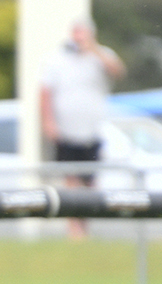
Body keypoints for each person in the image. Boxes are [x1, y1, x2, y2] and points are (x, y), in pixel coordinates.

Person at [40, 17, 125, 190]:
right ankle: (73, 217)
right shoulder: (57, 59)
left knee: (90, 182)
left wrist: (93, 49)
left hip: (91, 133)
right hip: (66, 133)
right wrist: (48, 123)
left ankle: (86, 216)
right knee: (71, 182)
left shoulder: (102, 55)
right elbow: (45, 92)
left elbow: (118, 71)